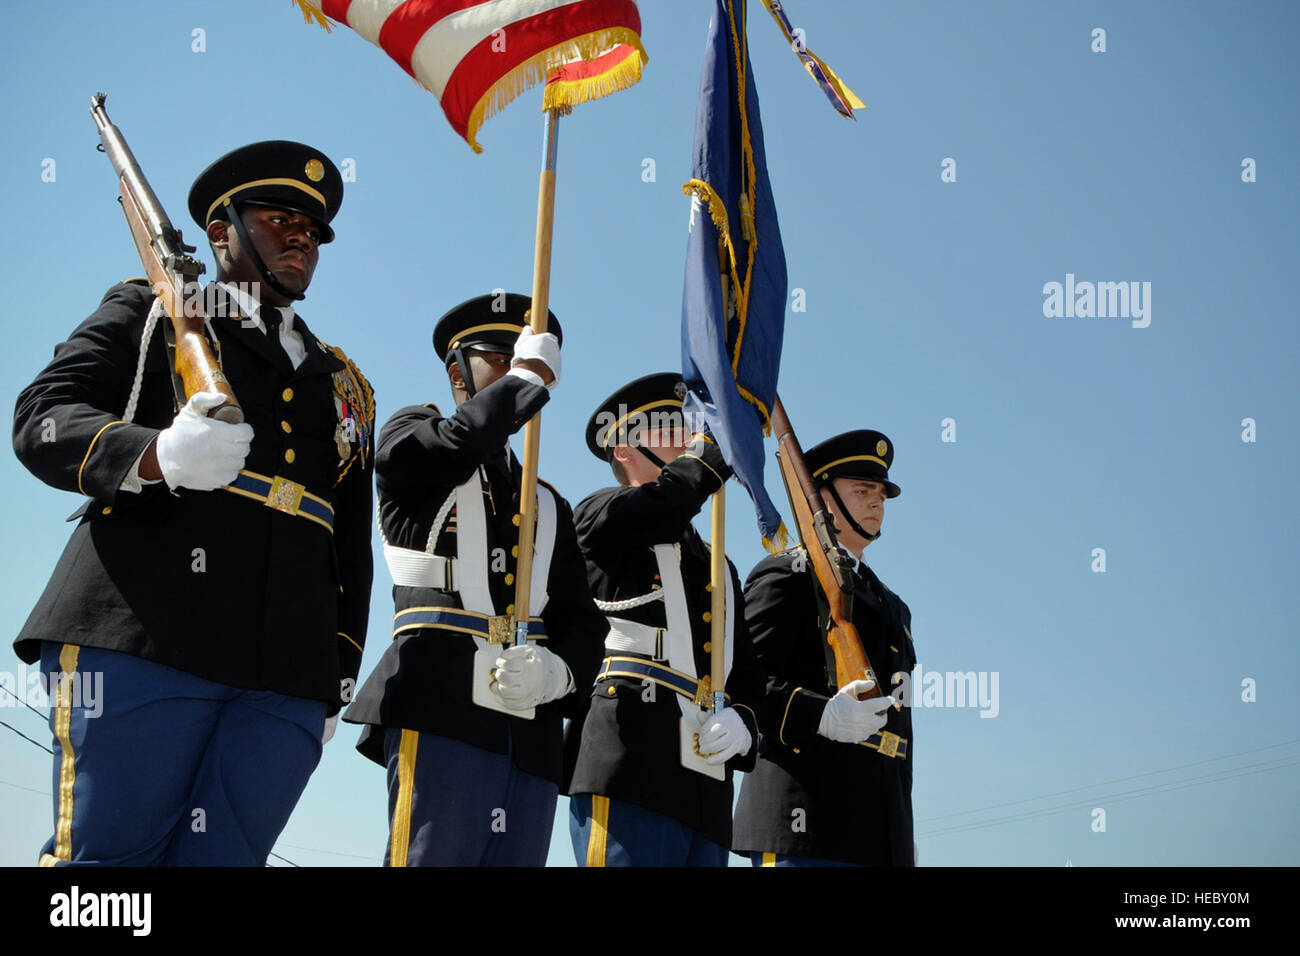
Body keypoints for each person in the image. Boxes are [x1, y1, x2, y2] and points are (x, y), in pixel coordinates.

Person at [12, 141, 374, 866]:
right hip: (144, 632)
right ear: (220, 233)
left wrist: (336, 669)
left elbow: (348, 540)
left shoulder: (345, 383)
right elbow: (43, 418)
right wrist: (154, 454)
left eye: (314, 229)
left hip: (288, 669)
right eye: (279, 218)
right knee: (105, 870)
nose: (302, 236)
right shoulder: (152, 310)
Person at [344, 293, 606, 867]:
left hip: (530, 731)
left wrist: (559, 672)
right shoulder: (414, 430)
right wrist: (524, 382)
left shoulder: (547, 502)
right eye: (499, 358)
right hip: (440, 701)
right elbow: (431, 452)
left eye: (526, 357)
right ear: (456, 370)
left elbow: (583, 622)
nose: (514, 368)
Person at [563, 372, 761, 866]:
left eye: (695, 428)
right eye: (674, 430)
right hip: (631, 756)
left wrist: (746, 722)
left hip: (707, 783)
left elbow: (749, 673)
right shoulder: (598, 513)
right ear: (625, 451)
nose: (692, 438)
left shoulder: (719, 564)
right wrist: (707, 462)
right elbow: (660, 508)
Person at [732, 429, 916, 867]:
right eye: (863, 490)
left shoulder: (893, 605)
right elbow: (747, 683)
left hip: (880, 833)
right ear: (824, 499)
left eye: (881, 494)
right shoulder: (787, 575)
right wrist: (822, 715)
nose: (877, 502)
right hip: (808, 825)